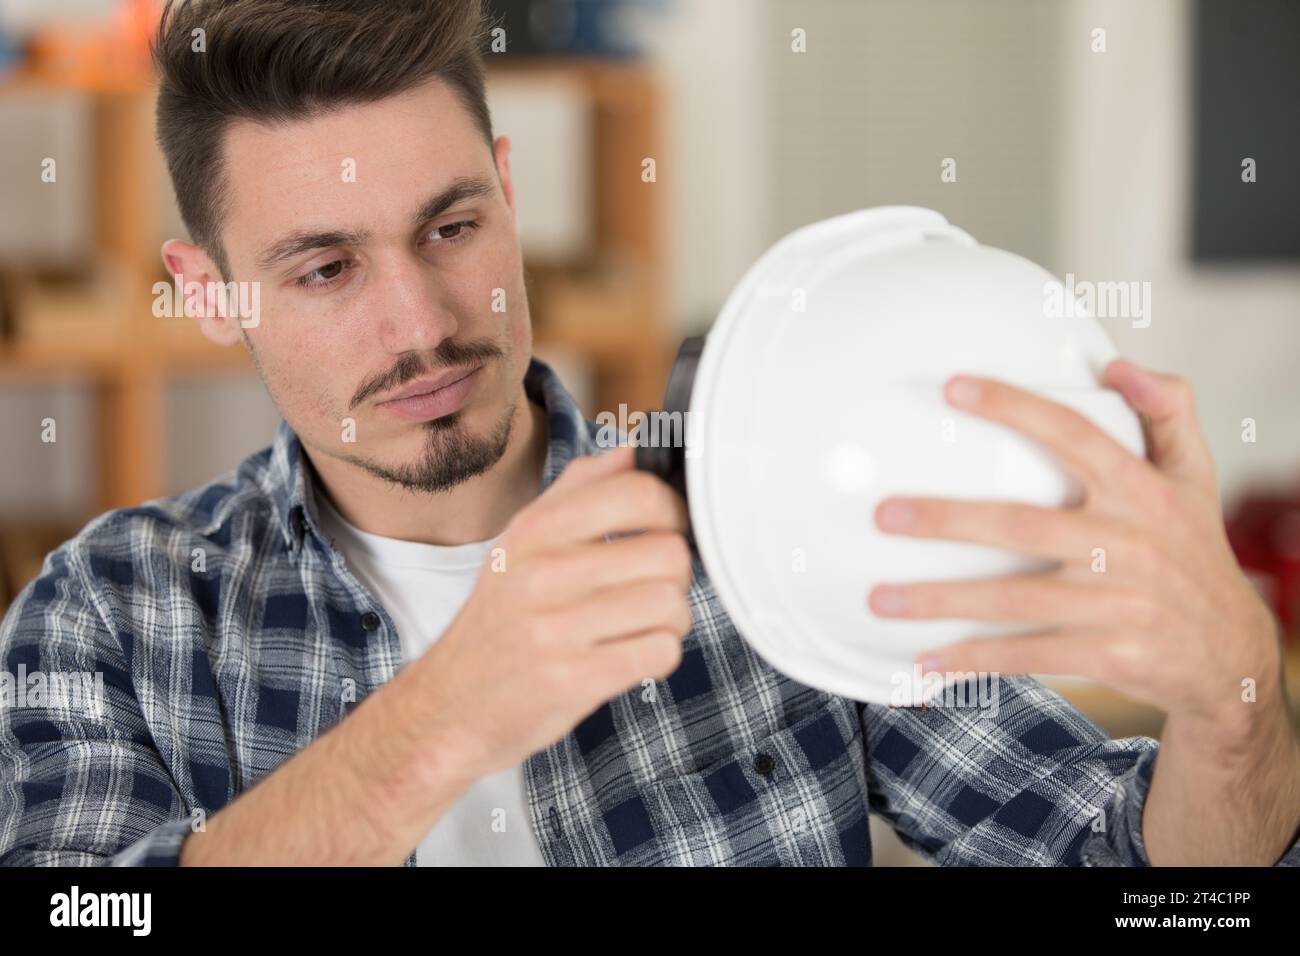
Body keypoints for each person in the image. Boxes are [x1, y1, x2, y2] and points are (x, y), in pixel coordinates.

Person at [1, 0, 1296, 867]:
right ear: (209, 290)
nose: (423, 325)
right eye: (324, 271)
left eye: (452, 229)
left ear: (510, 193)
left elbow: (1124, 859)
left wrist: (1236, 702)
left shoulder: (772, 515)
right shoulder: (110, 613)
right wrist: (448, 716)